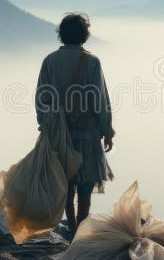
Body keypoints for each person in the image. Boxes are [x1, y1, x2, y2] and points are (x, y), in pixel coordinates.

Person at [35, 13, 115, 235]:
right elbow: (100, 100)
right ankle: (81, 232)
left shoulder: (49, 61)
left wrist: (47, 125)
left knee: (66, 186)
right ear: (84, 34)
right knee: (85, 187)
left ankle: (71, 229)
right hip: (87, 134)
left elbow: (41, 99)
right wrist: (107, 130)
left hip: (60, 137)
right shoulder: (92, 62)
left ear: (61, 34)